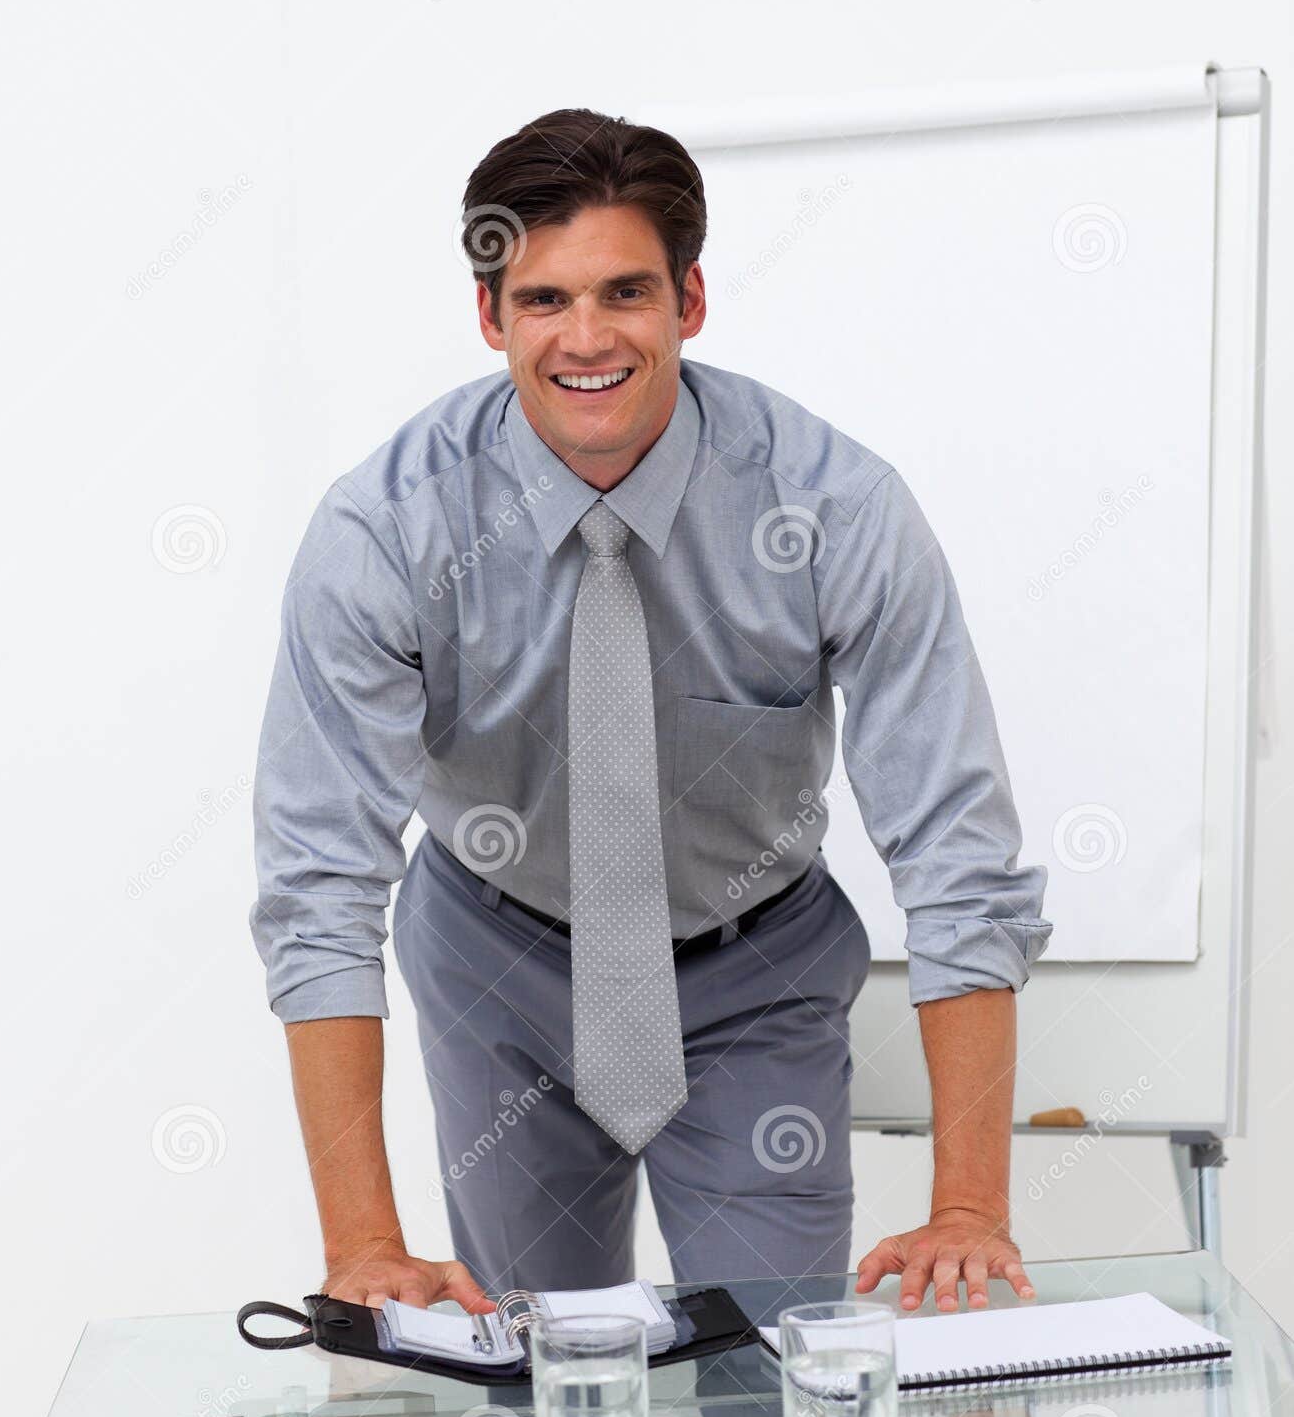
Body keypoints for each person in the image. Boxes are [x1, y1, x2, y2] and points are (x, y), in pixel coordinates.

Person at [249, 108, 1052, 1324]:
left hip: (753, 970)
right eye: (541, 300)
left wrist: (969, 1207)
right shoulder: (387, 530)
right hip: (497, 964)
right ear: (489, 318)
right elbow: (320, 884)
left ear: (690, 300)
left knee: (772, 1385)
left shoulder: (835, 506)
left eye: (625, 292)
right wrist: (363, 1240)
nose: (585, 339)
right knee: (537, 1376)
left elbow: (956, 854)